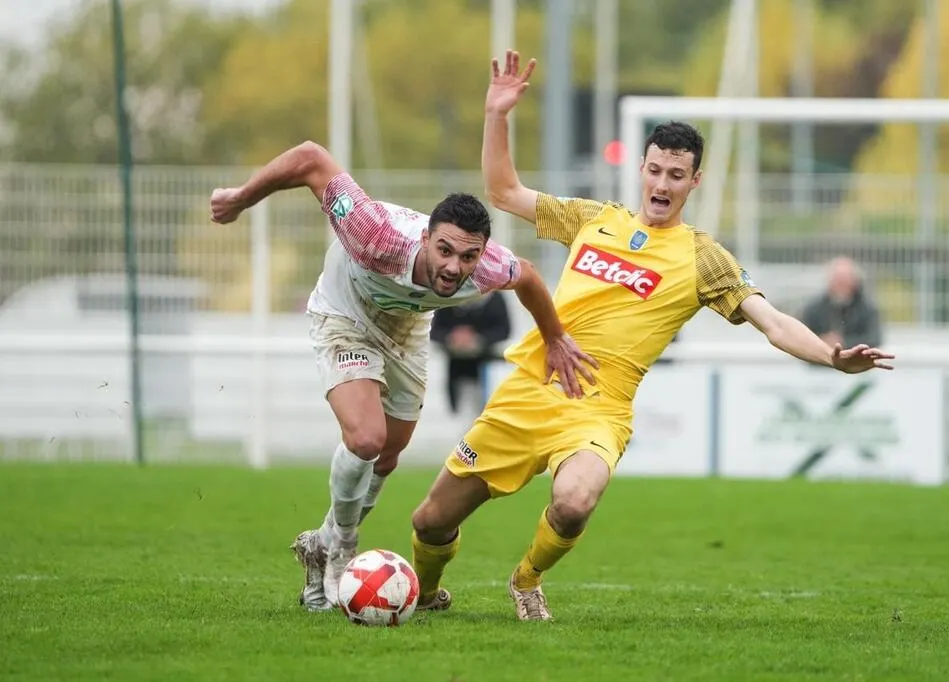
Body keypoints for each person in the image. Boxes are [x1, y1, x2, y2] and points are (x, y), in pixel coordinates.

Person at [408, 51, 897, 621]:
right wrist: (497, 113)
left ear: (694, 180)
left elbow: (772, 321)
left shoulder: (702, 257)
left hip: (599, 411)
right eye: (655, 170)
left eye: (676, 175)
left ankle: (526, 578)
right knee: (430, 521)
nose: (662, 184)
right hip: (527, 392)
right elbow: (503, 190)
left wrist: (831, 356)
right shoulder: (594, 219)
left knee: (574, 501)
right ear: (642, 168)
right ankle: (425, 590)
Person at [209, 140, 597, 612]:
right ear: (425, 238)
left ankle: (320, 543)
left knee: (388, 456)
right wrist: (241, 198)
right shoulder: (375, 235)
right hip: (344, 316)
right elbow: (310, 158)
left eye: (467, 256)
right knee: (367, 439)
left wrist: (555, 338)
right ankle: (342, 546)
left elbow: (531, 278)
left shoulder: (490, 266)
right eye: (445, 250)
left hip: (407, 331)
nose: (455, 267)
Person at [429, 291, 512, 414]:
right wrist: (452, 337)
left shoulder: (494, 298)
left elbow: (504, 330)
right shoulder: (448, 296)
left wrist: (478, 339)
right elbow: (434, 330)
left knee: (481, 407)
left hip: (485, 365)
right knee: (457, 411)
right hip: (454, 366)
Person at [801, 256, 883, 349]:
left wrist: (843, 342)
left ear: (855, 282)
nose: (840, 285)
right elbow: (803, 336)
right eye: (837, 280)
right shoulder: (814, 308)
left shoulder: (868, 308)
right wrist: (822, 341)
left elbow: (874, 339)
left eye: (844, 280)